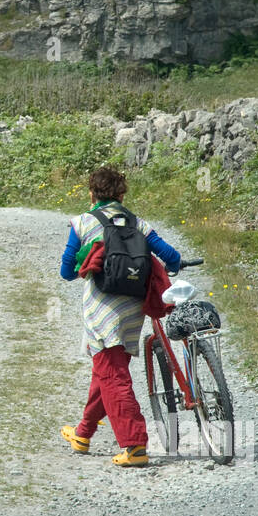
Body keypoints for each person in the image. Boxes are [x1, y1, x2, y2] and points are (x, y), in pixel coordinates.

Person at [58, 165, 181, 467]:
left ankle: (135, 445)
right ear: (122, 194)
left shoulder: (82, 223)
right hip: (132, 311)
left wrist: (89, 255)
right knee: (107, 370)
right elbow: (171, 256)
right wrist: (174, 266)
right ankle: (83, 433)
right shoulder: (138, 224)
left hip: (101, 312)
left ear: (91, 193)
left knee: (112, 375)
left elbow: (66, 272)